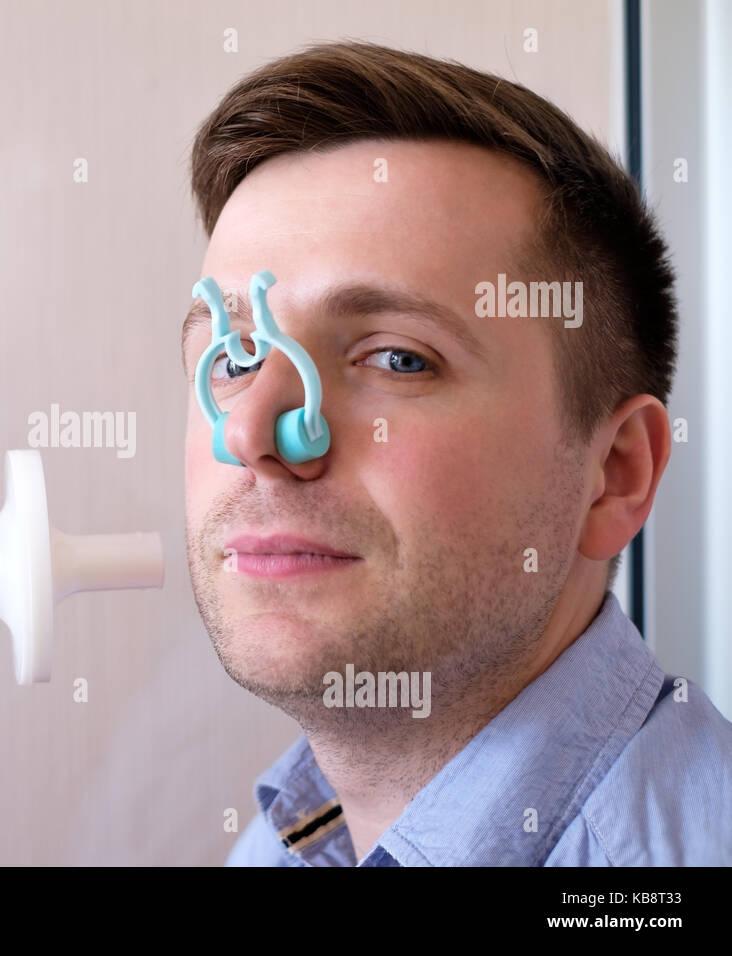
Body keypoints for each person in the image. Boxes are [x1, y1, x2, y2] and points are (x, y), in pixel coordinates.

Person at [180, 41, 732, 866]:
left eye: (397, 358)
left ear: (615, 474)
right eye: (232, 359)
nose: (250, 434)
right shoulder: (284, 840)